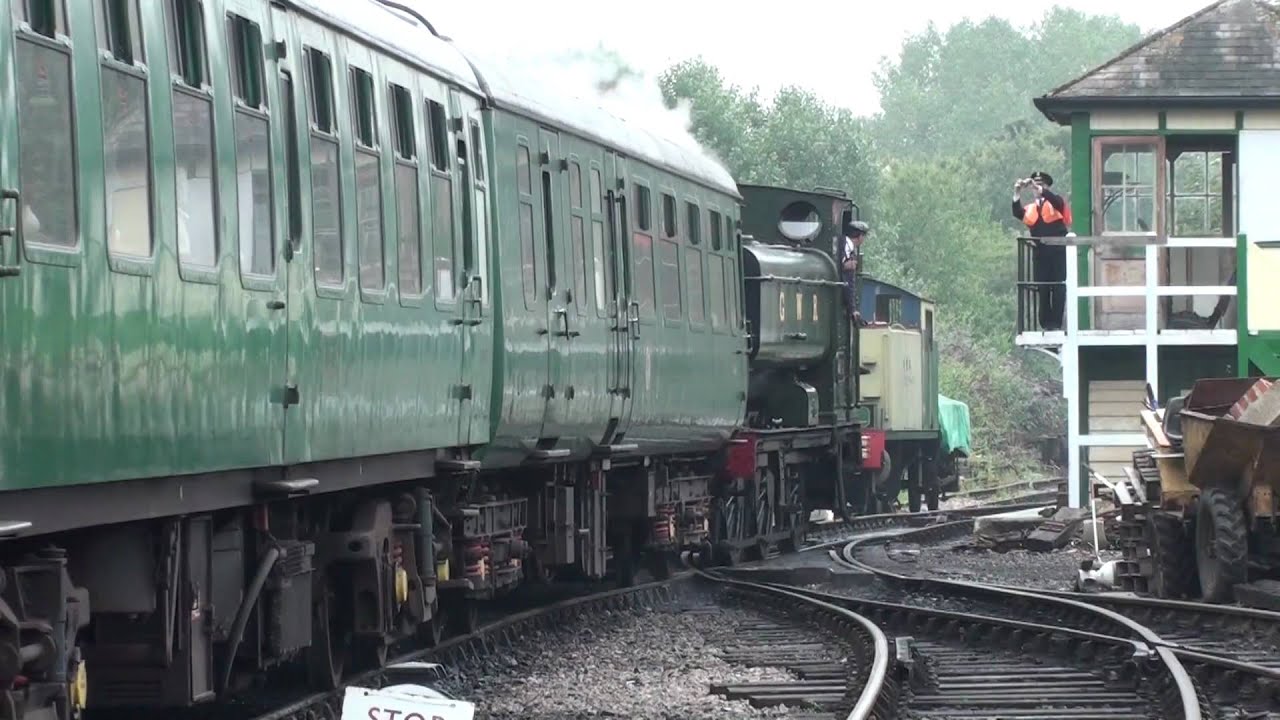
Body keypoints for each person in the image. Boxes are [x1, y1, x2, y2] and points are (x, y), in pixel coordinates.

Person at [1012, 171, 1070, 331]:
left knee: (1058, 287)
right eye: (1036, 185)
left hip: (1058, 252)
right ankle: (1046, 323)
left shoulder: (1055, 201)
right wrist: (1017, 191)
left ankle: (1056, 323)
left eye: (1042, 184)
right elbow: (1017, 212)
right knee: (1042, 288)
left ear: (1048, 186)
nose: (1037, 188)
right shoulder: (1031, 208)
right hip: (1041, 254)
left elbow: (1059, 203)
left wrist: (1042, 191)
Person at [840, 220, 868, 321]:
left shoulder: (847, 246)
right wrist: (852, 309)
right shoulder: (845, 247)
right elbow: (848, 280)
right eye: (864, 236)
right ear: (860, 236)